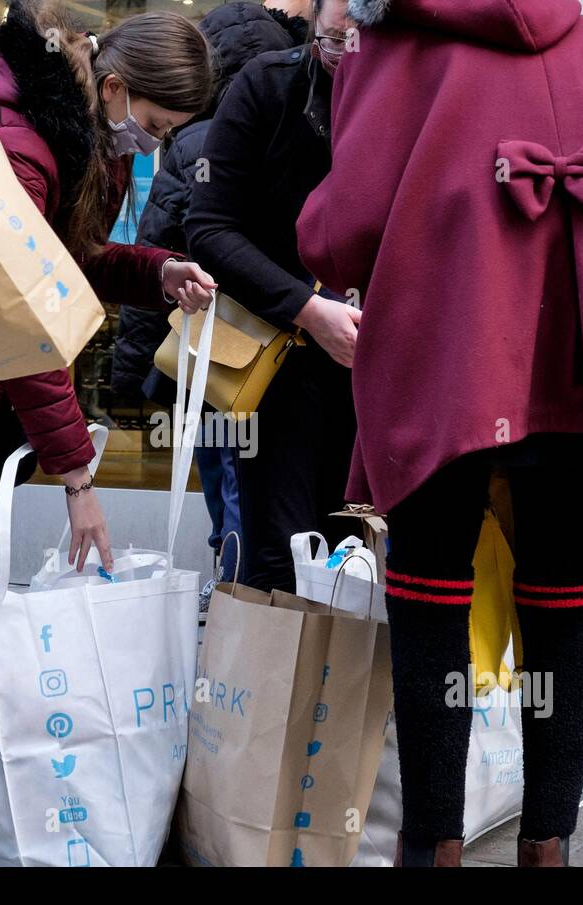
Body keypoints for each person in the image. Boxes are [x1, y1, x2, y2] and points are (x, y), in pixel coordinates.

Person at [298, 0, 583, 866]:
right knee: (561, 604)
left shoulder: (395, 46)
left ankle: (436, 850)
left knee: (431, 611)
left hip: (449, 362)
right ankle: (548, 849)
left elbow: (340, 232)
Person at [0, 0, 215, 866]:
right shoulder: (24, 146)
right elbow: (22, 315)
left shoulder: (80, 148)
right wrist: (78, 476)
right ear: (112, 87)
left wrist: (157, 271)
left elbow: (67, 265)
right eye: (150, 126)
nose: (151, 147)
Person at [111, 1, 309, 610]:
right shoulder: (308, 124)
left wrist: (129, 371)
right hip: (297, 351)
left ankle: (231, 581)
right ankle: (268, 591)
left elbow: (157, 238)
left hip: (215, 349)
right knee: (274, 487)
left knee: (224, 470)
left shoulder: (194, 137)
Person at [185, 0, 359, 597]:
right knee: (279, 558)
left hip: (389, 371)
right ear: (311, 23)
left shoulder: (426, 91)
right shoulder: (268, 84)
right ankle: (275, 688)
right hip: (279, 359)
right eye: (331, 40)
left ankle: (349, 690)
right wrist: (309, 309)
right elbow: (208, 227)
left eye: (357, 40)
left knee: (363, 555)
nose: (342, 56)